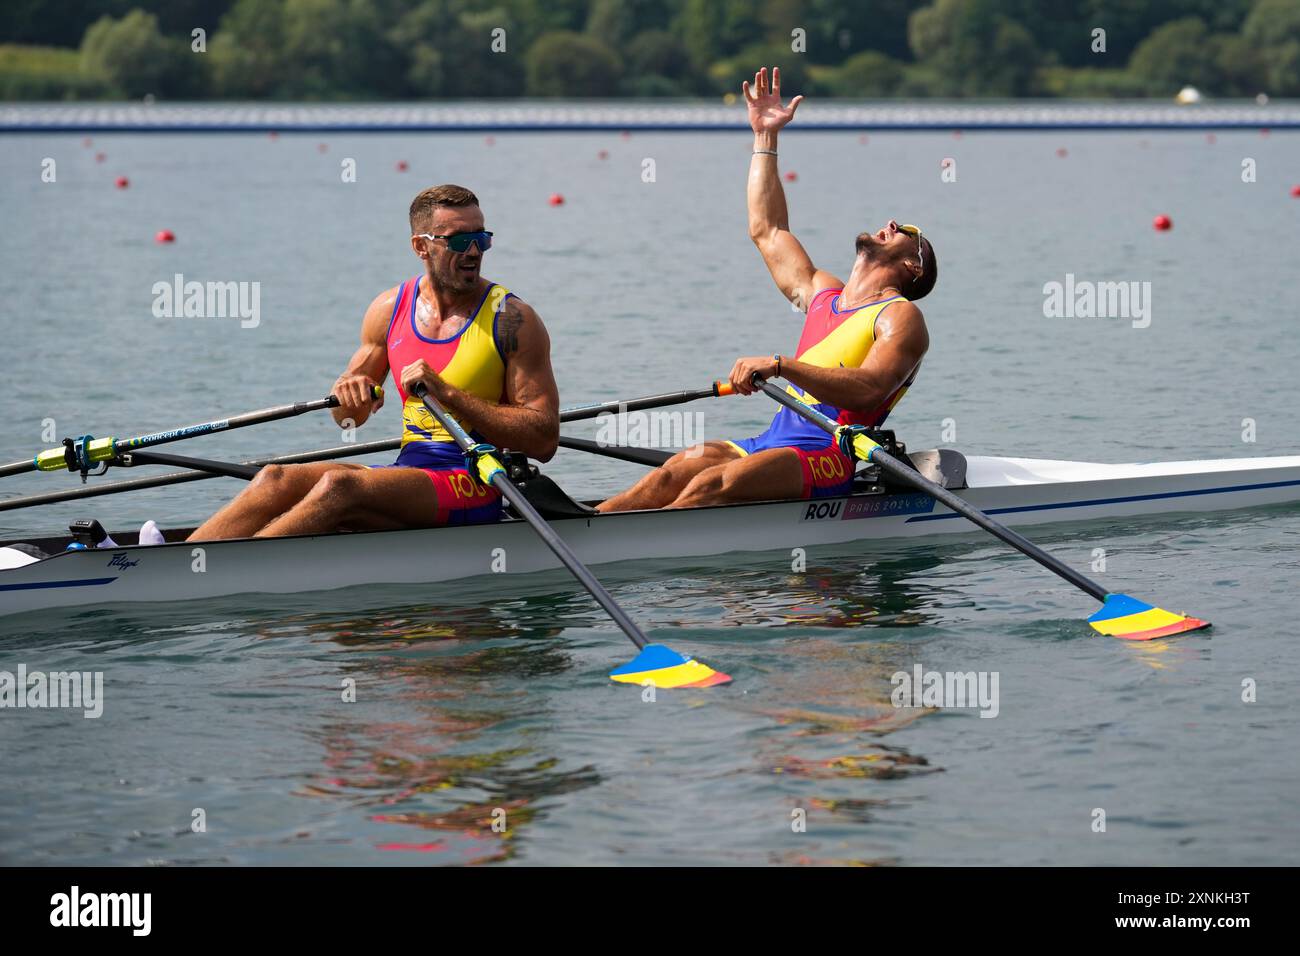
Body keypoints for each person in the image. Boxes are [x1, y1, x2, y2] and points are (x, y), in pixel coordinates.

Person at [598, 67, 935, 513]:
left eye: (905, 230)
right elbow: (767, 229)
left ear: (913, 266)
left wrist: (780, 366)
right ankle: (593, 526)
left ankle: (642, 559)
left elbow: (869, 390)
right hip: (772, 440)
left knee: (714, 484)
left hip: (828, 456)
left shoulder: (899, 317)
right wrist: (764, 138)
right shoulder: (822, 294)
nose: (891, 224)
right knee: (675, 471)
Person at [188, 184, 559, 540]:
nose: (475, 251)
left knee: (339, 486)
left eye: (483, 238)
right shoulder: (389, 310)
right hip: (411, 471)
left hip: (475, 479)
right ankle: (184, 560)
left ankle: (229, 572)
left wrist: (447, 392)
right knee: (274, 478)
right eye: (460, 240)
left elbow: (544, 439)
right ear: (421, 246)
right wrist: (348, 390)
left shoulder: (512, 319)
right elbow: (349, 419)